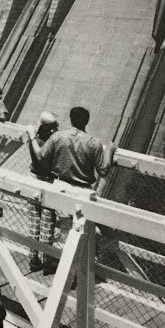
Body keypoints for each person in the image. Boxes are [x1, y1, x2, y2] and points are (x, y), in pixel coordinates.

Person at [33, 106, 106, 192]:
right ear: (86, 122)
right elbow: (103, 172)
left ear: (71, 120)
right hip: (83, 190)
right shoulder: (94, 143)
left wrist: (32, 138)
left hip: (59, 186)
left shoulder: (58, 136)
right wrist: (110, 151)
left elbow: (40, 156)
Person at [27, 111, 61, 256]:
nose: (57, 127)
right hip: (48, 181)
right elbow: (42, 156)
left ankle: (33, 257)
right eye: (55, 125)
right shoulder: (52, 141)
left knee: (34, 222)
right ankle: (45, 258)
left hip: (33, 178)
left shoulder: (33, 136)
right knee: (47, 223)